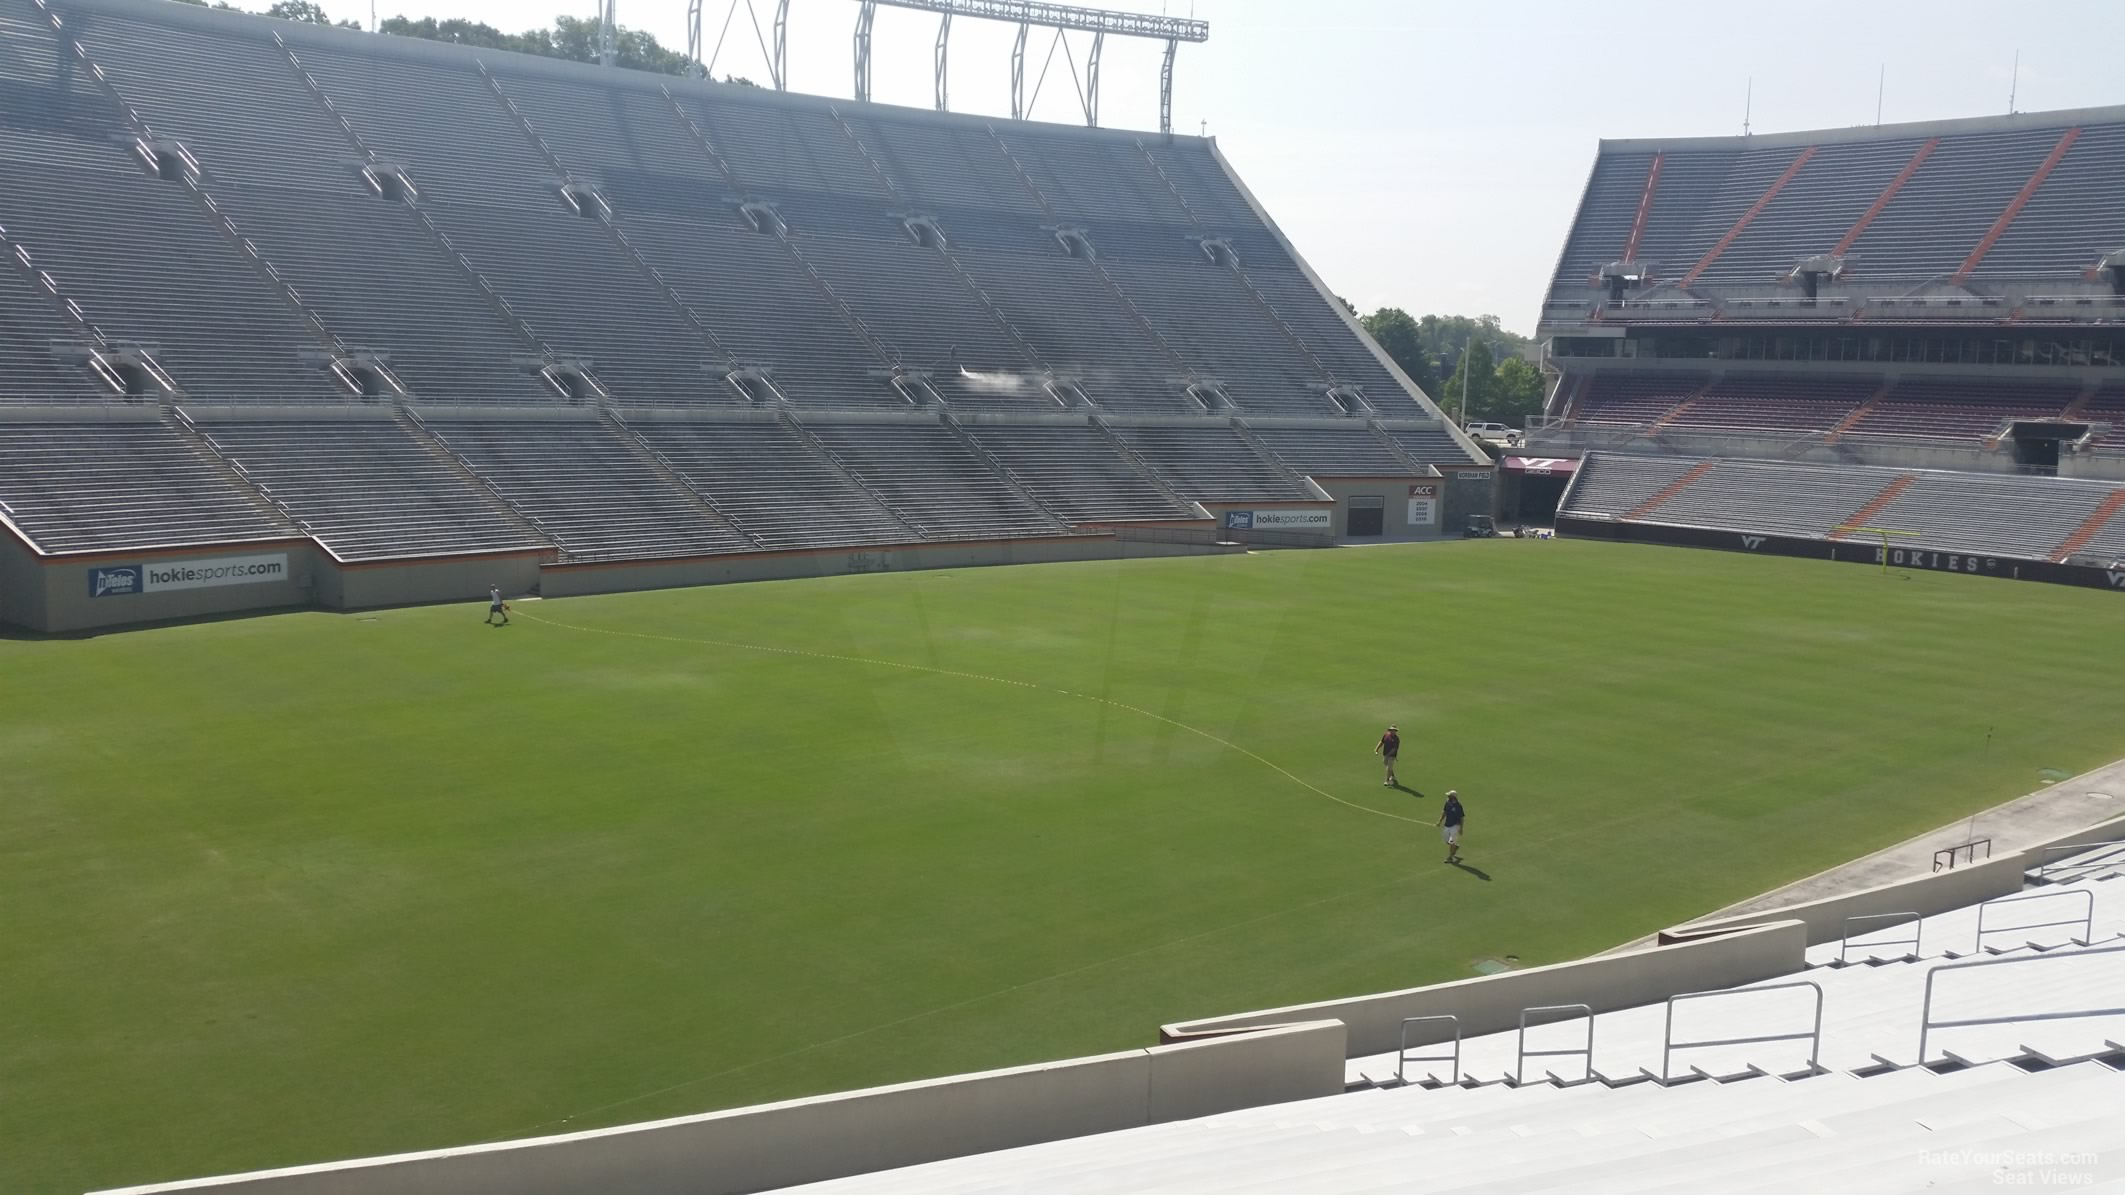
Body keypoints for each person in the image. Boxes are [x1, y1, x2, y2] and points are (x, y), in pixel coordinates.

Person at [1437, 789, 1465, 864]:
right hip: (1447, 825)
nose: (1448, 797)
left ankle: (1450, 857)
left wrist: (1461, 829)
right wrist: (1439, 821)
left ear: (1453, 797)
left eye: (1449, 796)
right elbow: (1444, 812)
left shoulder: (1458, 806)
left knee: (1451, 842)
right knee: (1446, 840)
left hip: (1456, 826)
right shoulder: (1447, 803)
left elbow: (1461, 818)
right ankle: (1455, 847)